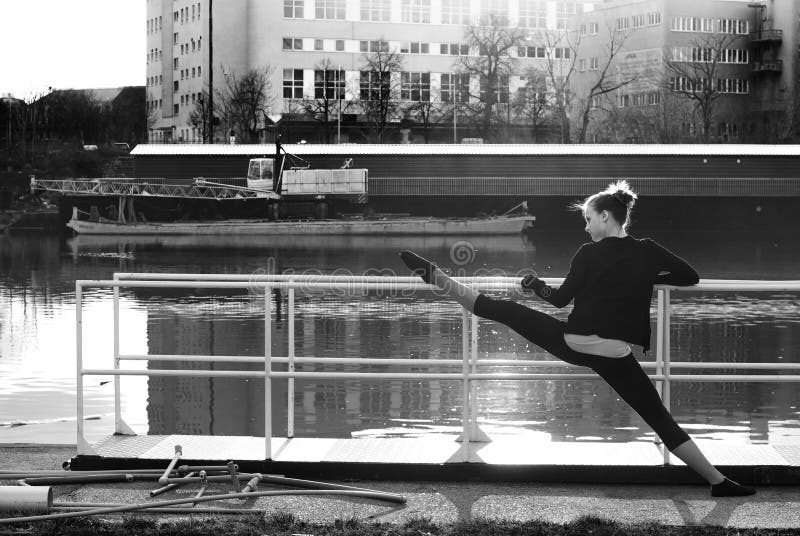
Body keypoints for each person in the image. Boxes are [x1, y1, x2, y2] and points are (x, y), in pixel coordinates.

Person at [399, 180, 755, 497]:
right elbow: (690, 276)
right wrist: (648, 275)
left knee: (503, 310)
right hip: (615, 353)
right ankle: (718, 482)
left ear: (605, 217)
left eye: (588, 219)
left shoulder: (588, 253)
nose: (586, 227)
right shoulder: (648, 251)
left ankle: (438, 277)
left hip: (575, 342)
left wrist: (536, 285)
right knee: (660, 419)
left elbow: (559, 300)